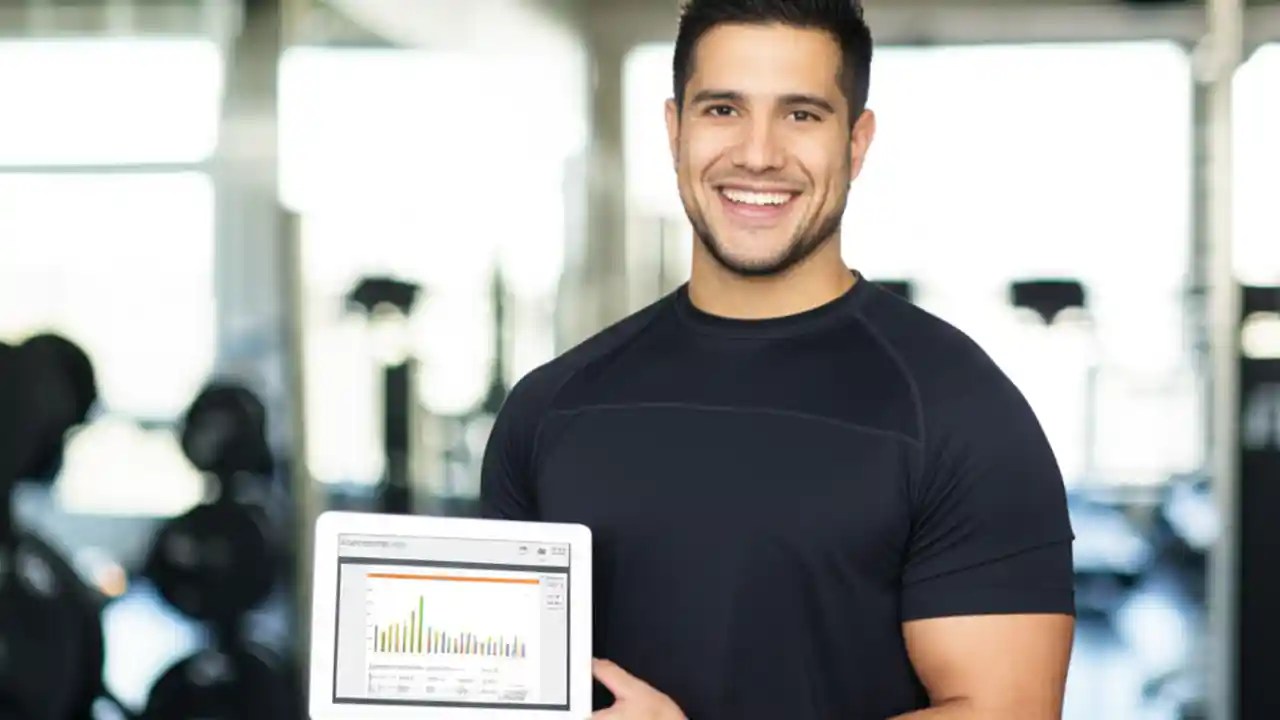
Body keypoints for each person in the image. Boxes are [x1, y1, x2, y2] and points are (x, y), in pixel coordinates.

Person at [480, 0, 1076, 717]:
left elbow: (1005, 713)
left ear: (857, 143)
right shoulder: (549, 408)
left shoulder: (962, 412)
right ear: (675, 131)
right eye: (723, 110)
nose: (758, 153)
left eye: (801, 115)